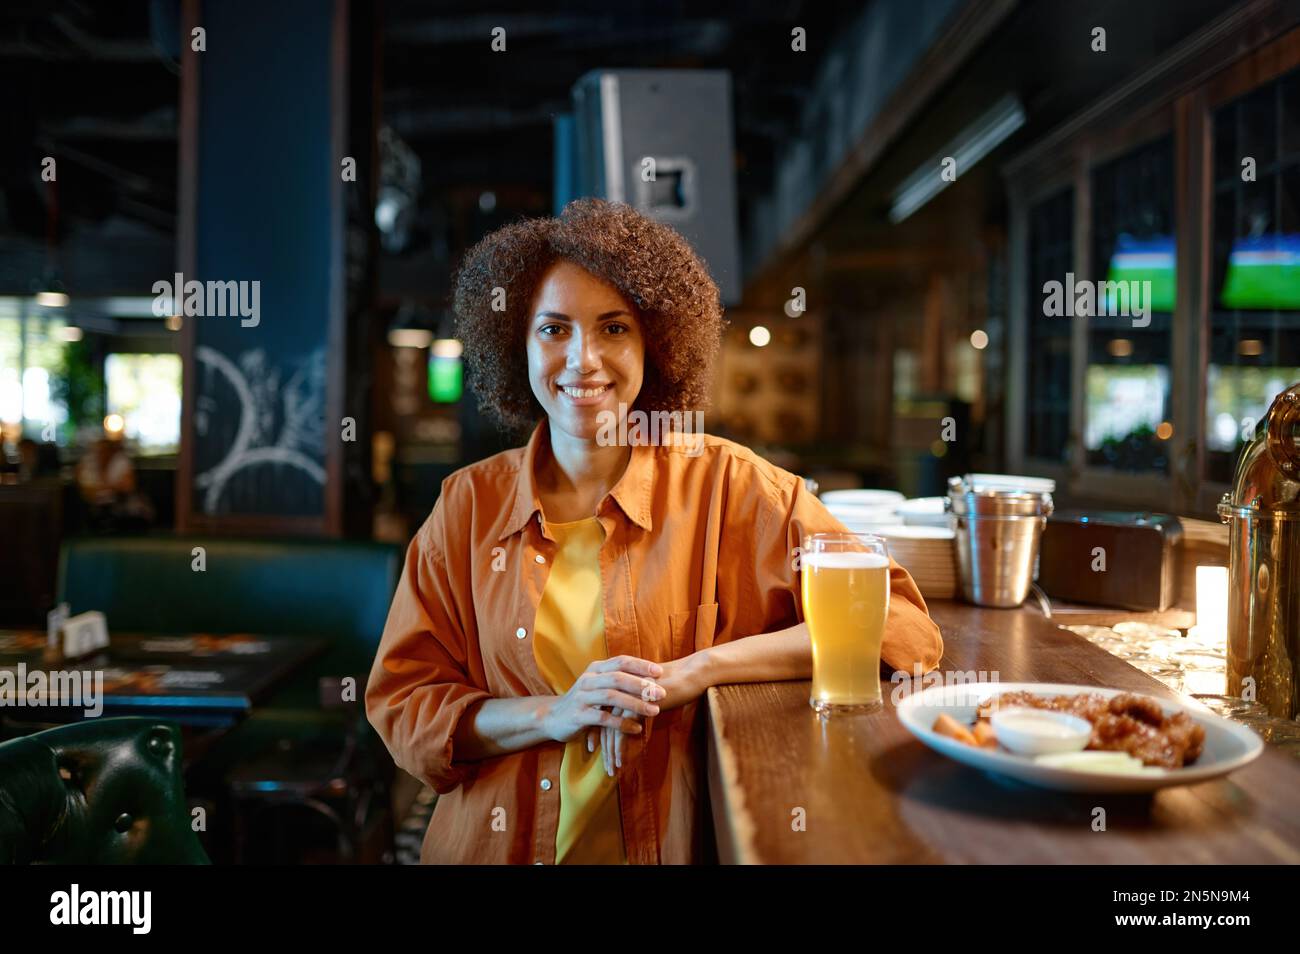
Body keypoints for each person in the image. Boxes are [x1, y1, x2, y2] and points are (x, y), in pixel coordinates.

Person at [366, 199, 944, 864]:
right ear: (516, 346)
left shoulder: (732, 488)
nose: (584, 359)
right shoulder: (467, 506)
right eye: (554, 330)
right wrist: (550, 715)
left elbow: (899, 626)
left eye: (613, 328)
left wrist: (695, 671)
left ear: (655, 346)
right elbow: (405, 704)